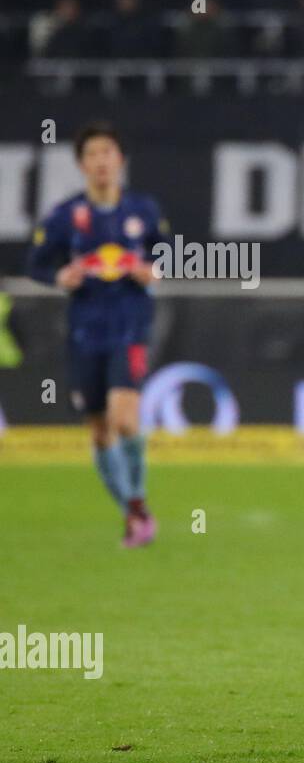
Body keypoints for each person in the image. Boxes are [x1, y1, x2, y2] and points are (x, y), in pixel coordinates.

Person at [26, 121, 167, 547]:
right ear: (82, 164)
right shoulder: (66, 216)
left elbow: (167, 251)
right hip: (86, 331)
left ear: (120, 160)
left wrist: (153, 270)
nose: (101, 161)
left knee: (124, 418)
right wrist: (59, 276)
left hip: (130, 326)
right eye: (92, 154)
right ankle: (132, 511)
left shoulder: (142, 210)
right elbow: (35, 264)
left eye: (108, 152)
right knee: (99, 429)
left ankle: (138, 504)